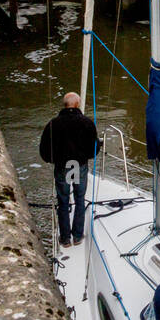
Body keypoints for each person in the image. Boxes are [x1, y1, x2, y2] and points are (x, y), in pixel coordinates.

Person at [38, 92, 102, 246]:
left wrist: (51, 160)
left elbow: (44, 148)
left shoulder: (53, 124)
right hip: (79, 165)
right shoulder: (87, 123)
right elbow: (94, 147)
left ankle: (65, 238)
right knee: (80, 199)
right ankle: (77, 236)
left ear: (64, 105)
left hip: (62, 166)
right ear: (77, 104)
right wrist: (87, 155)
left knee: (63, 200)